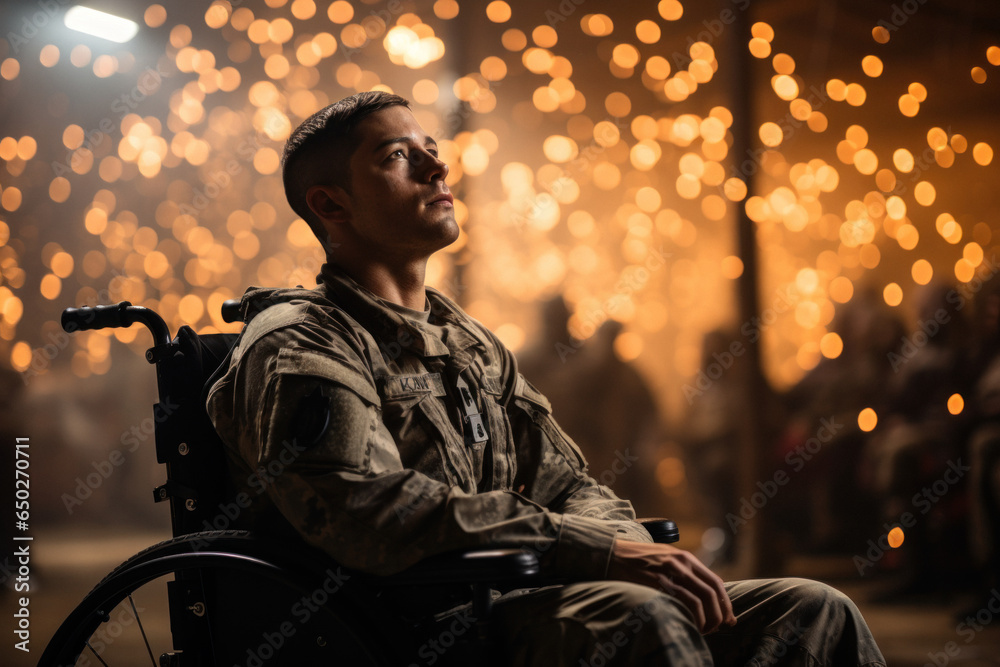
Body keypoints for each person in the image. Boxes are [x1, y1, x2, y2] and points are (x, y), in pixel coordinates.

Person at [206, 91, 886, 666]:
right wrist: (596, 554)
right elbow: (371, 512)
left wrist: (625, 548)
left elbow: (566, 480)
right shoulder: (302, 343)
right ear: (331, 206)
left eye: (428, 146)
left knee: (813, 610)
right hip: (400, 629)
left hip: (513, 595)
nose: (436, 164)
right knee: (639, 618)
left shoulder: (469, 342)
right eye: (395, 157)